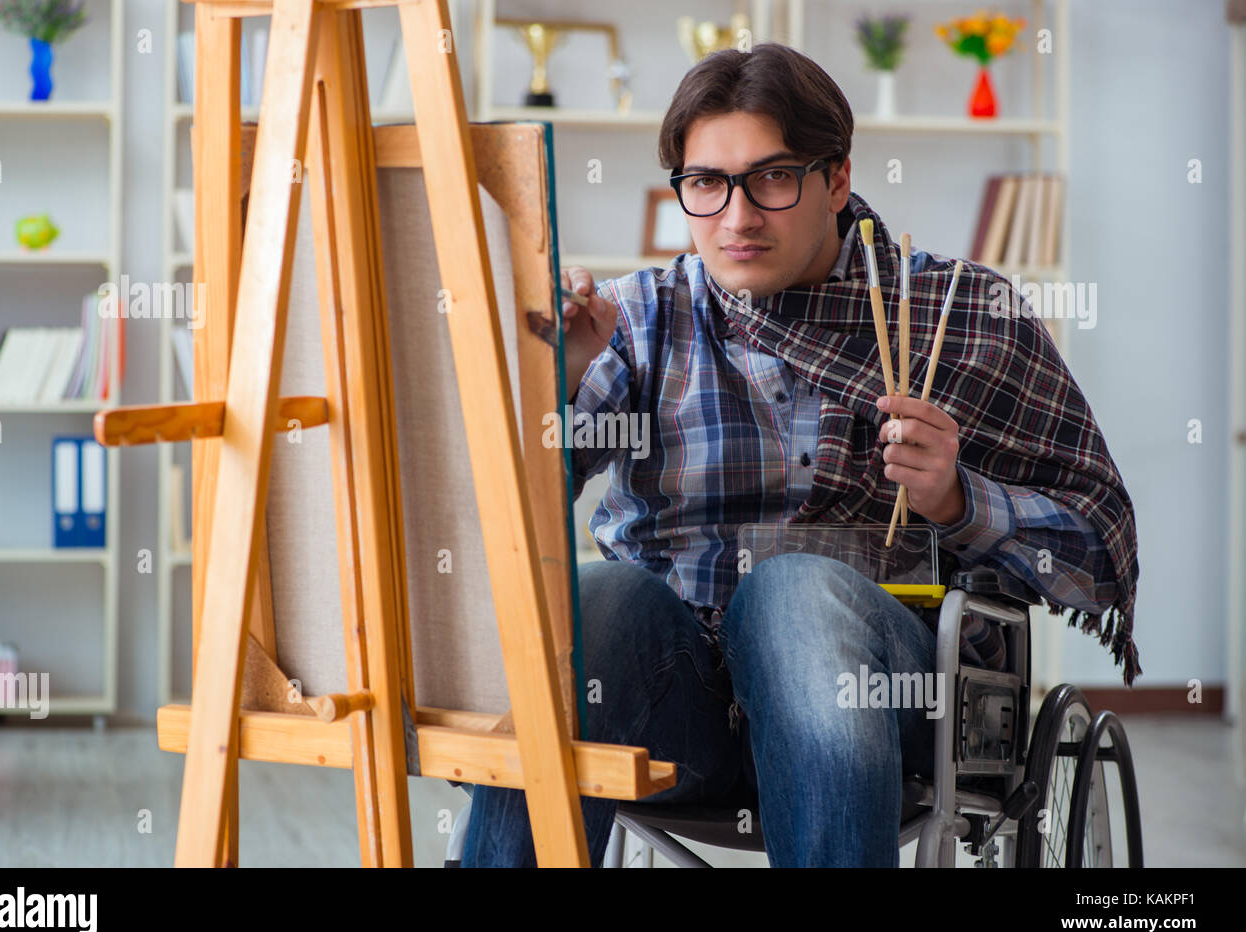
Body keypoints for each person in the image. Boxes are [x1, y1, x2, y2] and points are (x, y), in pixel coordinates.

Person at [460, 42, 1130, 867]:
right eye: (706, 183)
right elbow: (490, 513)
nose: (737, 218)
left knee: (795, 594)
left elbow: (1099, 547)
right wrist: (555, 388)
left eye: (772, 178)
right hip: (684, 715)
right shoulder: (636, 320)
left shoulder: (962, 316)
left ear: (837, 179)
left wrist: (960, 500)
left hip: (886, 707)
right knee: (594, 600)